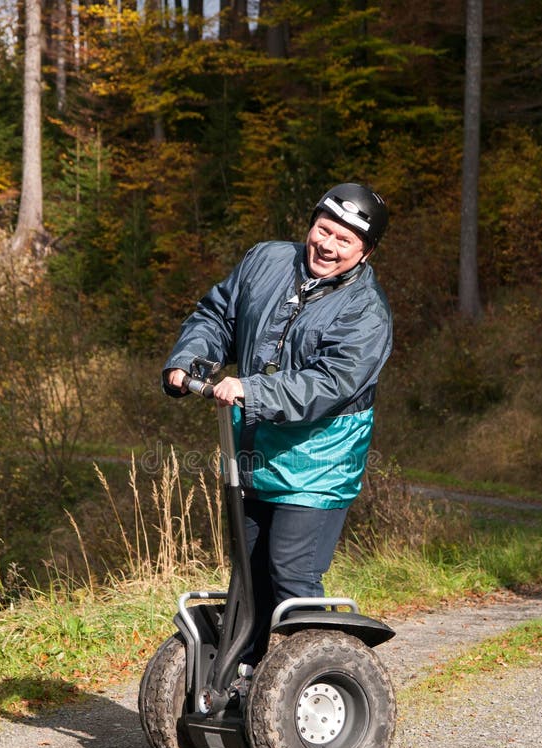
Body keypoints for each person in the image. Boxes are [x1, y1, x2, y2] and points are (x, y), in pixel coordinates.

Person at [163, 183, 393, 671]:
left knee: (290, 572)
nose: (328, 245)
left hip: (319, 462)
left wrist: (252, 389)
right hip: (254, 452)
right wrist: (189, 361)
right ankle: (242, 677)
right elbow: (218, 316)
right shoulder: (266, 260)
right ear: (311, 224)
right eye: (323, 230)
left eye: (345, 240)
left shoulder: (367, 311)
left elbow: (329, 382)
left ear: (366, 252)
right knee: (247, 576)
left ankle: (317, 682)